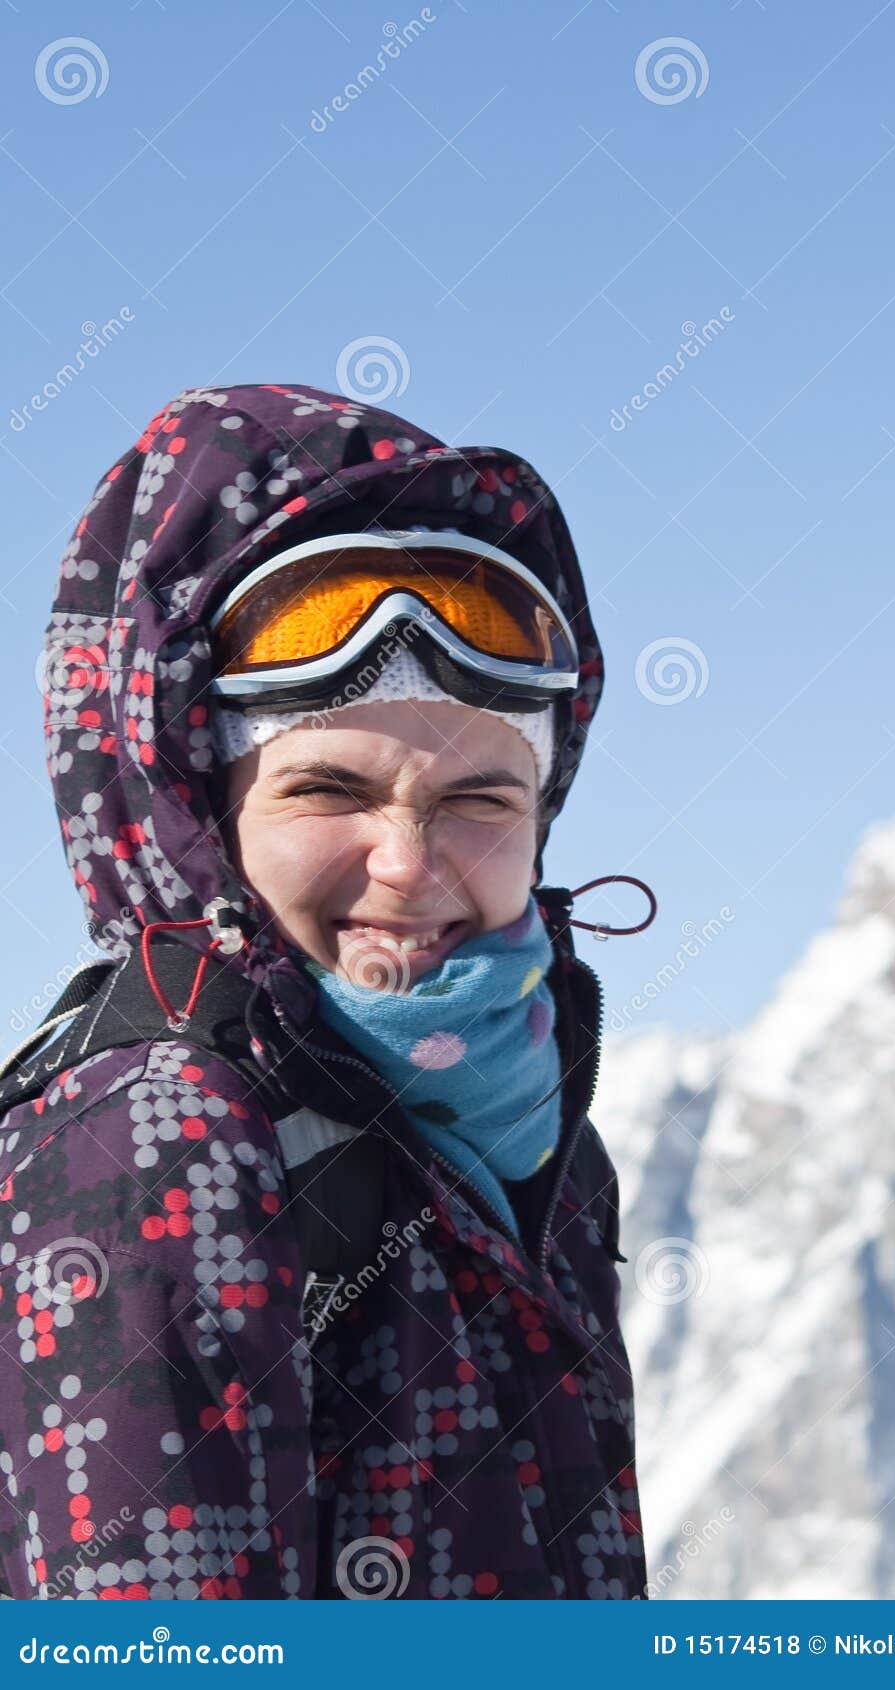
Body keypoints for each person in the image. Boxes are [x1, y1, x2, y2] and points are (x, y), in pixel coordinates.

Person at [0, 383, 650, 1600]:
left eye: (478, 801)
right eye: (327, 790)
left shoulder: (529, 1129)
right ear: (194, 804)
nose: (408, 864)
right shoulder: (157, 1134)